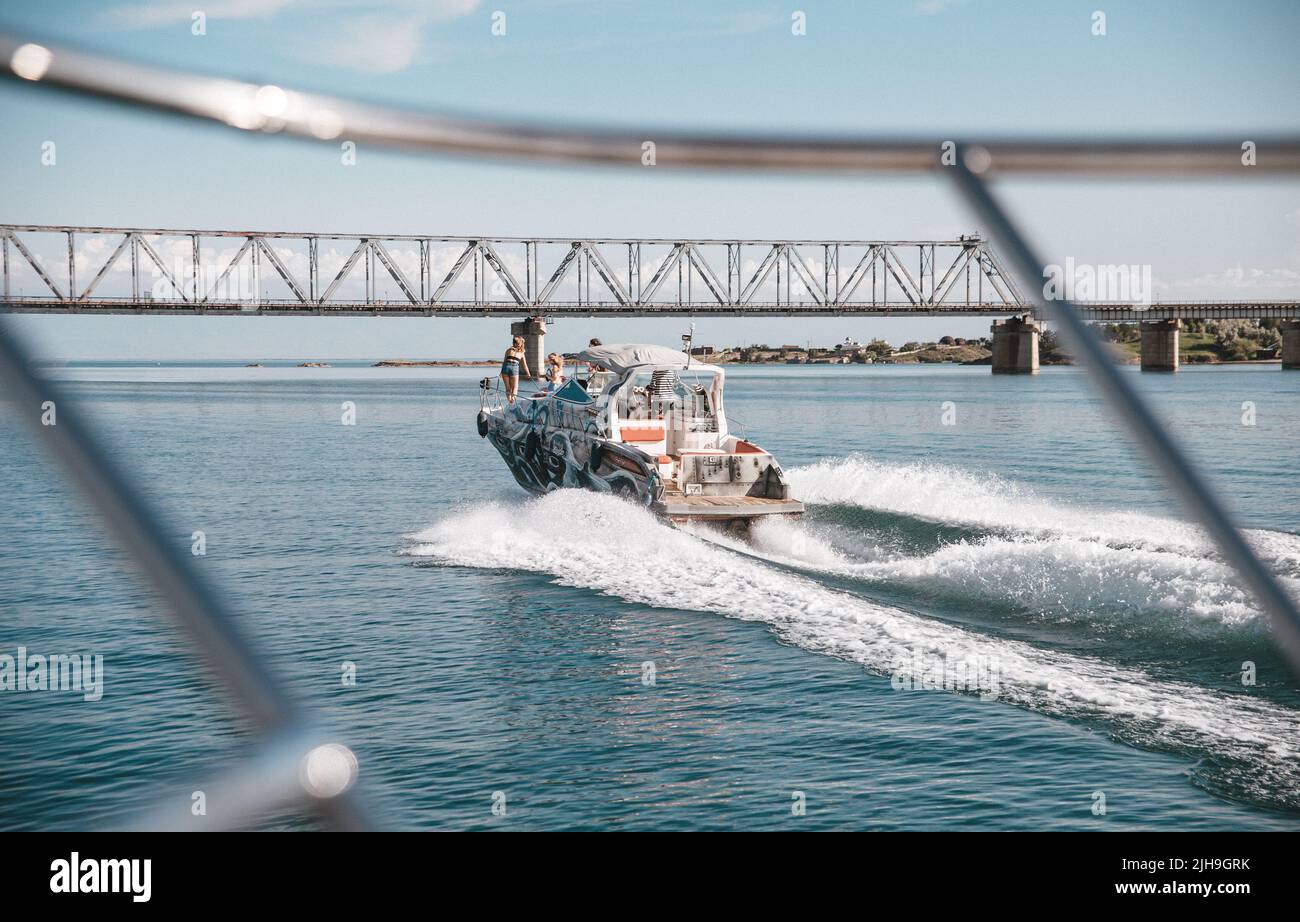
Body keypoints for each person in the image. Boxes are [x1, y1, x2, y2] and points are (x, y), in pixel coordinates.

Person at [500, 335, 532, 403]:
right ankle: (513, 402)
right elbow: (524, 365)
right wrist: (528, 374)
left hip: (505, 368)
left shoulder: (508, 350)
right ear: (521, 344)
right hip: (514, 368)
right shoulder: (521, 353)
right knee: (515, 388)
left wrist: (500, 373)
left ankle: (509, 402)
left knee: (508, 388)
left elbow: (504, 361)